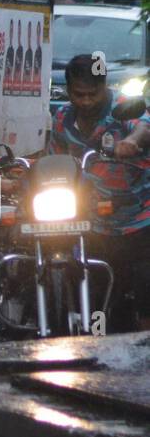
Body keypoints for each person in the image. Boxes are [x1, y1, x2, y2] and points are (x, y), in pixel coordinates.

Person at [49, 54, 150, 326]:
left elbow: (144, 126)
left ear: (104, 86)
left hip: (137, 220)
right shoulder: (62, 120)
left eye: (92, 94)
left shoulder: (125, 108)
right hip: (90, 222)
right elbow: (54, 163)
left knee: (145, 287)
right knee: (81, 280)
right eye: (78, 95)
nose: (85, 101)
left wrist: (130, 142)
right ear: (69, 91)